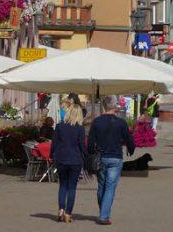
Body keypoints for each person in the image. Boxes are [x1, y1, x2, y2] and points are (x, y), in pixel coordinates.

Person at [87, 95, 135, 226]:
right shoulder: (121, 122)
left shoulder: (96, 122)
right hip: (115, 157)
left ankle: (103, 211)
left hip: (101, 157)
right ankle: (103, 215)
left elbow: (90, 143)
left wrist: (91, 154)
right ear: (115, 106)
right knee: (110, 187)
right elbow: (129, 139)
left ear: (104, 106)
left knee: (102, 185)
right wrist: (131, 149)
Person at [51, 101, 88, 223]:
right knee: (72, 187)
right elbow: (82, 146)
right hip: (75, 160)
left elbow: (54, 144)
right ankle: (68, 213)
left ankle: (61, 209)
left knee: (62, 186)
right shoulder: (80, 128)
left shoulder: (60, 126)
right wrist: (88, 156)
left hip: (61, 159)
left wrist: (53, 156)